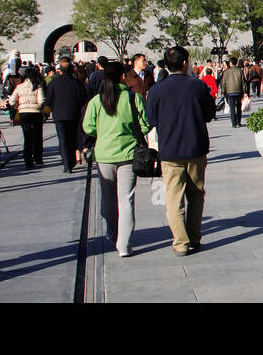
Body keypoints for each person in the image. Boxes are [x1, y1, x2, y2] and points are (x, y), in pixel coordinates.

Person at [145, 47, 214, 256]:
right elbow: (209, 114)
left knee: (174, 198)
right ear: (185, 63)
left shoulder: (156, 90)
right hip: (195, 148)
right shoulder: (198, 86)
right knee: (196, 194)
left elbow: (151, 120)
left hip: (170, 150)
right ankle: (194, 237)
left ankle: (180, 242)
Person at [82, 62, 150, 258]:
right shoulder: (133, 98)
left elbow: (88, 127)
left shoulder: (97, 101)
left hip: (104, 155)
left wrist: (103, 133)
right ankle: (124, 244)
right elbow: (145, 125)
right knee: (126, 200)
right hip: (128, 155)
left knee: (108, 200)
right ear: (122, 77)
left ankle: (112, 233)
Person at [45, 59, 88, 172]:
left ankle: (66, 163)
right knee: (73, 138)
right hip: (74, 114)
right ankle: (72, 161)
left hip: (59, 115)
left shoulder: (53, 83)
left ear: (60, 70)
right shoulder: (77, 83)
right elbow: (84, 99)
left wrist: (52, 107)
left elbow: (48, 100)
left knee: (63, 139)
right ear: (72, 70)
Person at [7, 66, 46, 169]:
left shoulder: (19, 87)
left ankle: (27, 159)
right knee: (38, 135)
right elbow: (42, 100)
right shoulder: (38, 86)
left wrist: (18, 107)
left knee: (27, 136)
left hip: (23, 113)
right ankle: (38, 157)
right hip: (36, 112)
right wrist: (39, 108)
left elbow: (12, 101)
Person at [219, 58, 247, 128]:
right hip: (238, 91)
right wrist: (245, 91)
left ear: (230, 63)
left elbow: (224, 82)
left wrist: (223, 91)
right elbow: (243, 82)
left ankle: (233, 123)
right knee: (238, 107)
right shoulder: (239, 71)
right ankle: (239, 122)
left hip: (230, 91)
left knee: (232, 108)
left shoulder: (226, 71)